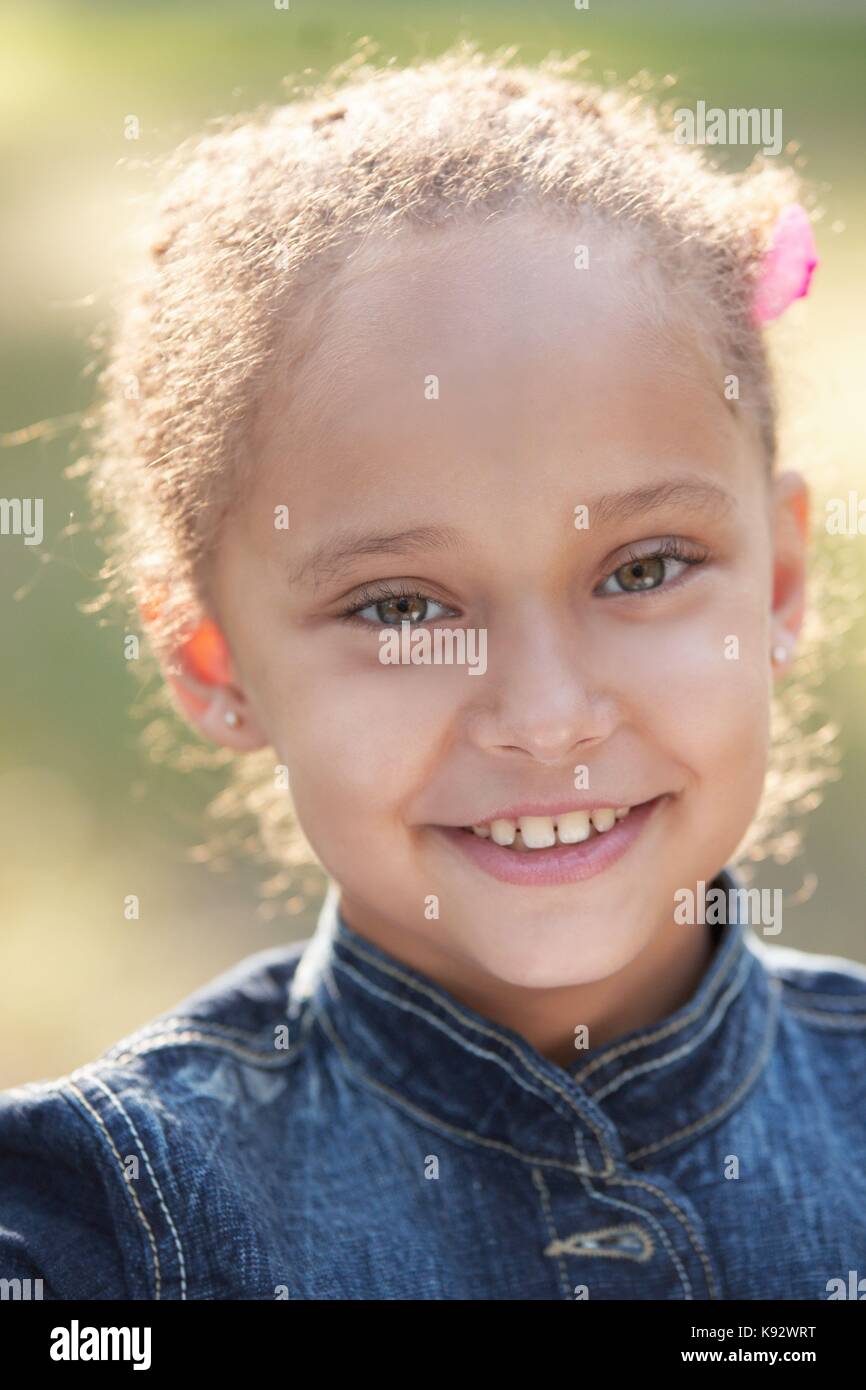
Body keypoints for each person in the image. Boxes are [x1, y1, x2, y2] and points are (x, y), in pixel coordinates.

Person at [2, 47, 862, 1302]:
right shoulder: (115, 1225)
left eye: (641, 569)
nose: (546, 715)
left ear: (778, 583)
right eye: (401, 606)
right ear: (217, 662)